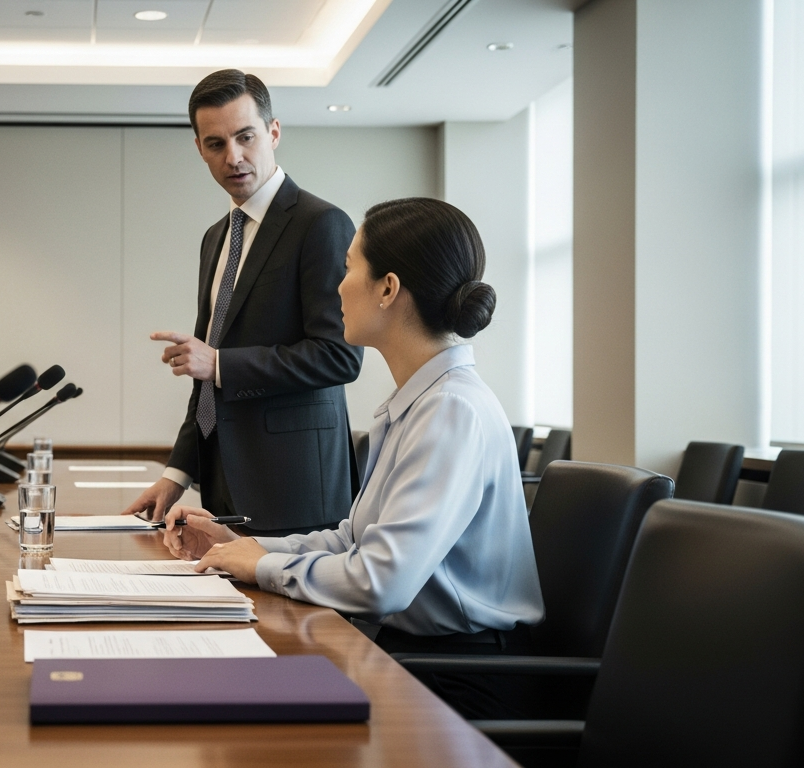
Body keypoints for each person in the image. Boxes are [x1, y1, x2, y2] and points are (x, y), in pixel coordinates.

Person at [163, 197, 545, 717]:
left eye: (348, 268)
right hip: (414, 655)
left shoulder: (450, 411)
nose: (337, 287)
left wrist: (265, 566)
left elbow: (380, 582)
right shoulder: (422, 402)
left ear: (388, 289)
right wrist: (244, 545)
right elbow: (352, 539)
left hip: (460, 679)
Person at [121, 69, 363, 536]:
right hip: (223, 483)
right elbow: (207, 374)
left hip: (296, 491)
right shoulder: (217, 237)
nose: (233, 157)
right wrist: (177, 474)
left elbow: (340, 356)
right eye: (215, 144)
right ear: (200, 150)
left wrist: (220, 364)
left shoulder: (322, 224)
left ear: (273, 132)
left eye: (245, 136)